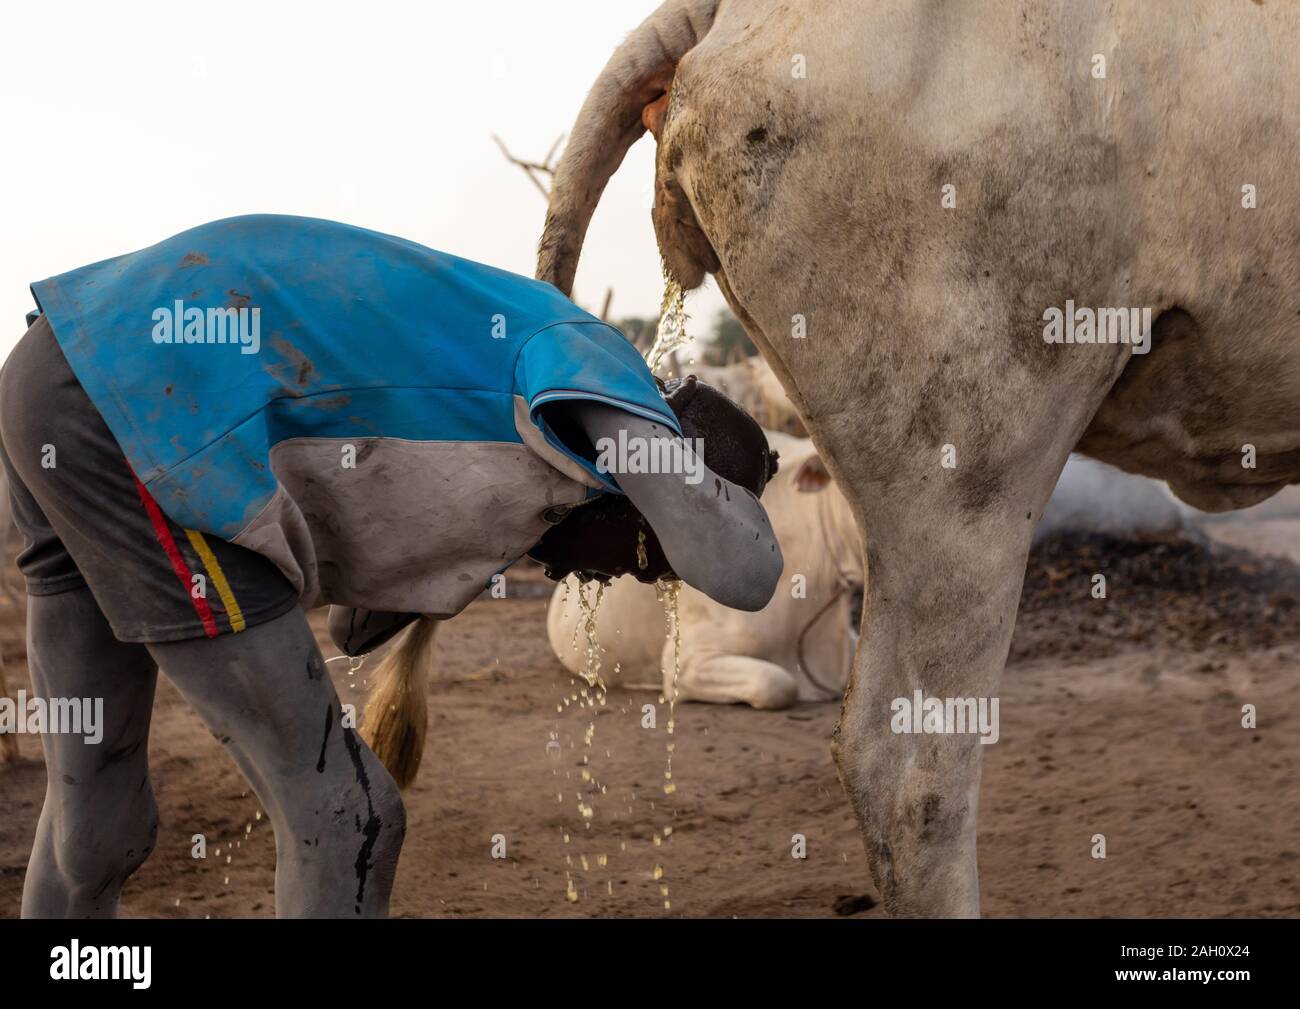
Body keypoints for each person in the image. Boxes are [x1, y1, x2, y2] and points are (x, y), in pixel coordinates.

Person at [1, 214, 782, 917]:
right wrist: (699, 477)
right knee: (349, 818)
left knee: (97, 828)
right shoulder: (595, 371)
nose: (607, 580)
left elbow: (354, 623)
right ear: (645, 483)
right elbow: (745, 572)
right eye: (647, 559)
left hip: (64, 367)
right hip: (149, 407)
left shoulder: (535, 440)